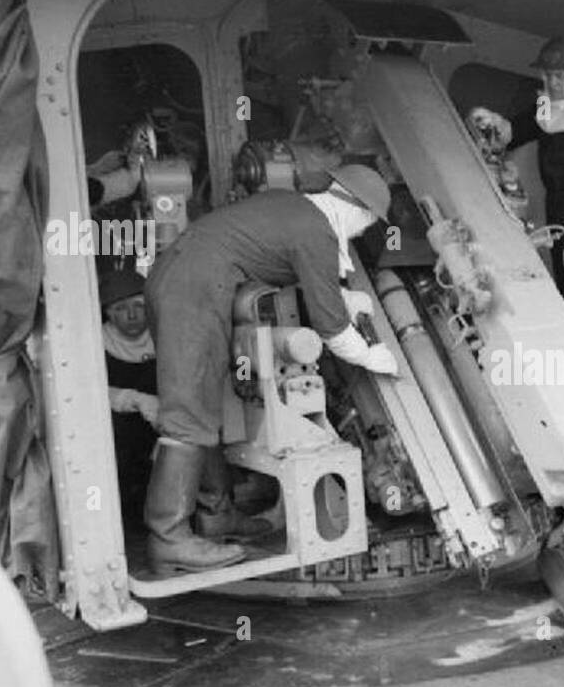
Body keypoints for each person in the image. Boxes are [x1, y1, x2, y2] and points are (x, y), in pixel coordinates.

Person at [141, 165, 398, 575]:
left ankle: (216, 515)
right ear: (360, 212)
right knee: (187, 415)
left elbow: (312, 283)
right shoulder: (318, 232)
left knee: (204, 405)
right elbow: (331, 329)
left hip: (179, 279)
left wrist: (346, 298)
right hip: (195, 292)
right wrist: (373, 357)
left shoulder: (294, 207)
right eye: (368, 223)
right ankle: (168, 537)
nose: (364, 232)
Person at [472, 36, 564, 318]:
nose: (553, 84)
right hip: (557, 209)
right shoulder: (546, 107)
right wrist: (494, 123)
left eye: (560, 77)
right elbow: (517, 130)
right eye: (548, 76)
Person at [99, 269, 160, 527]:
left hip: (161, 428)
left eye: (139, 305)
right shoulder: (94, 341)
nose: (133, 315)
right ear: (109, 313)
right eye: (122, 308)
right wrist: (137, 400)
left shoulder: (166, 335)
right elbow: (89, 391)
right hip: (119, 438)